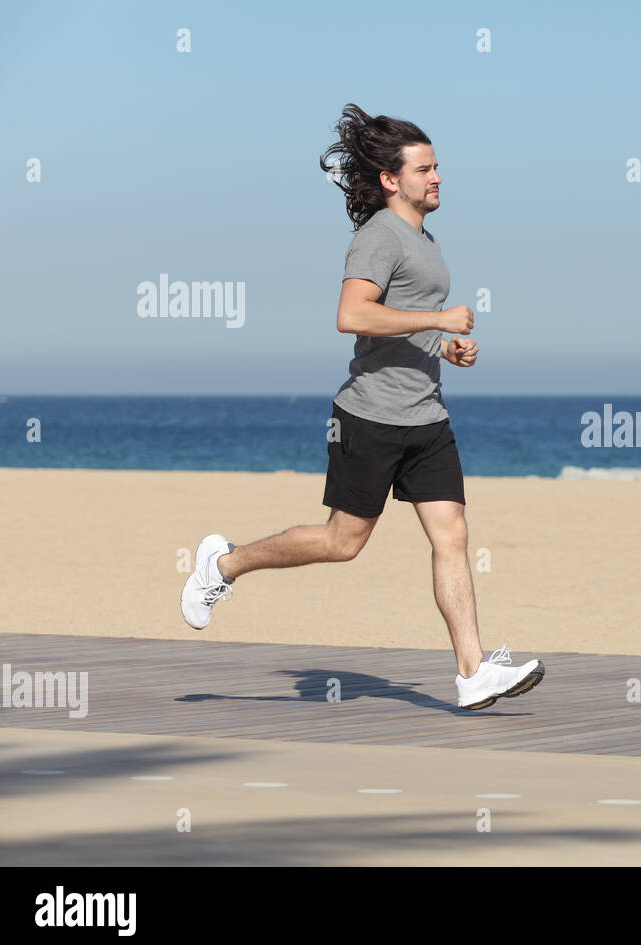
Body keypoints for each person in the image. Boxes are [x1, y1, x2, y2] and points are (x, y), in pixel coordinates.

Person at [180, 103, 543, 711]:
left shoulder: (423, 239)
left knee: (452, 533)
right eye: (424, 169)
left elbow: (391, 325)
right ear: (389, 179)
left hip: (426, 417)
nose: (437, 178)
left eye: (437, 167)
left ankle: (472, 671)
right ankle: (224, 564)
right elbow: (351, 316)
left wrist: (443, 347)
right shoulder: (378, 237)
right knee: (342, 542)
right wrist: (436, 317)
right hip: (371, 416)